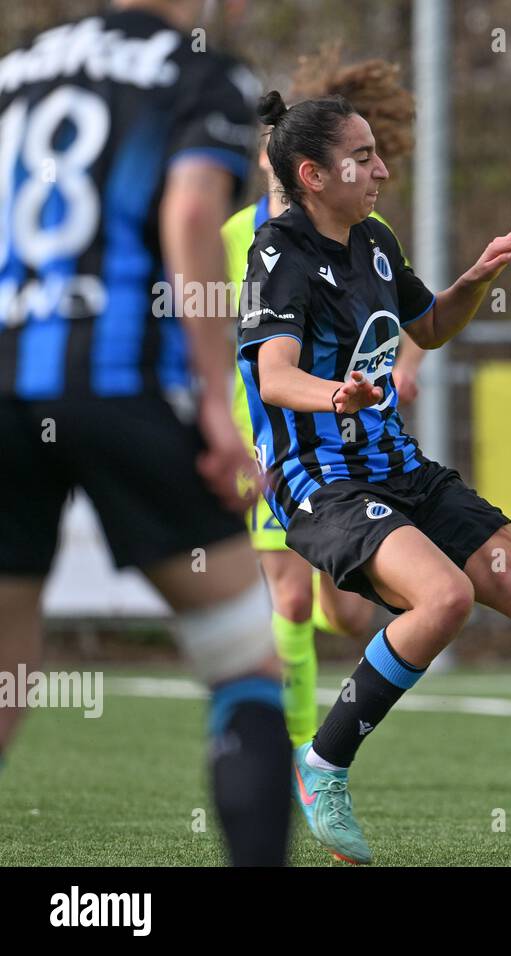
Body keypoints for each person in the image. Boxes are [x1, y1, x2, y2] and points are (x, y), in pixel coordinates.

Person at [238, 90, 511, 864]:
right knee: (445, 597)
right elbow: (275, 377)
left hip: (399, 468)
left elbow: (427, 327)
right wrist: (337, 395)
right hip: (321, 481)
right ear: (313, 175)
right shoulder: (277, 253)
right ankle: (321, 764)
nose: (382, 171)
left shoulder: (374, 240)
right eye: (362, 158)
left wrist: (476, 280)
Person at [0, 0, 290, 865]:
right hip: (120, 386)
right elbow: (194, 215)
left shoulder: (17, 69)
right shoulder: (198, 72)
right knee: (244, 659)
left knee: (7, 659)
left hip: (5, 380)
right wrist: (215, 403)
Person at [224, 49, 423, 748]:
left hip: (353, 450)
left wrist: (405, 364)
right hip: (271, 442)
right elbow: (211, 337)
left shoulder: (361, 235)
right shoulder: (239, 237)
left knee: (346, 617)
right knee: (285, 595)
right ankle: (300, 752)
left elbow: (403, 317)